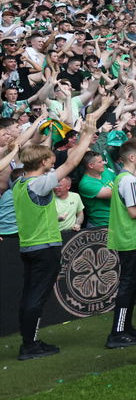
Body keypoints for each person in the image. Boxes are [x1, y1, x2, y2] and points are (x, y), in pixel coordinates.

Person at [12, 119, 98, 360]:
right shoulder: (38, 184)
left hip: (29, 247)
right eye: (50, 159)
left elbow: (28, 151)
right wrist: (87, 135)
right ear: (41, 162)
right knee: (35, 298)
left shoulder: (19, 182)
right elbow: (72, 161)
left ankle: (30, 341)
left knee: (30, 295)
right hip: (44, 248)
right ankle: (30, 345)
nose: (53, 161)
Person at [105, 139, 136, 349]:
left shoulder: (123, 179)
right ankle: (118, 331)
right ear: (132, 157)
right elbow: (134, 212)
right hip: (130, 239)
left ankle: (126, 327)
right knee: (127, 286)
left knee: (131, 285)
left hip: (130, 238)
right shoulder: (129, 181)